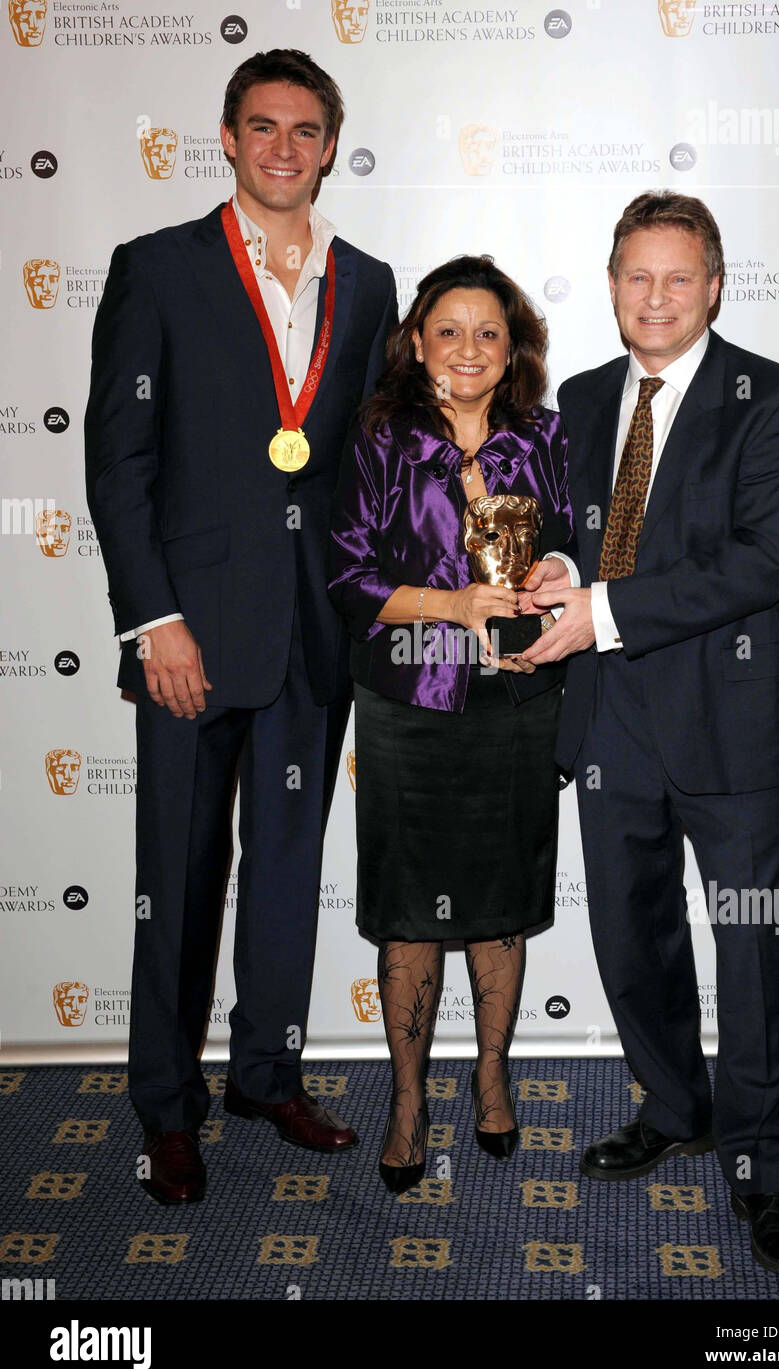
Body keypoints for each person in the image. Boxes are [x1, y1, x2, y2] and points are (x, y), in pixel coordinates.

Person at [84, 49, 397, 1204]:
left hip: (312, 634)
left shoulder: (367, 281)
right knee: (177, 878)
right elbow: (118, 466)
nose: (282, 148)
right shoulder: (157, 269)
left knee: (285, 872)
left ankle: (266, 1071)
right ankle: (164, 1107)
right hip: (189, 640)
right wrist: (150, 620)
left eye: (305, 130)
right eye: (261, 127)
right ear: (225, 137)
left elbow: (372, 458)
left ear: (329, 144)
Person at [521, 191, 779, 1277]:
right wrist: (557, 569)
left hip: (730, 735)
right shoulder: (583, 394)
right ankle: (674, 1105)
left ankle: (766, 1172)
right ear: (609, 284)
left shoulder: (775, 402)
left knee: (745, 957)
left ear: (712, 284)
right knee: (629, 939)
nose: (654, 298)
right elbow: (583, 534)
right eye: (634, 277)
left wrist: (595, 610)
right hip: (610, 722)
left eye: (676, 278)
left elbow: (761, 563)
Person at [328, 255, 574, 1193]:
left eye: (489, 333)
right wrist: (454, 605)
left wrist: (543, 610)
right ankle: (405, 1097)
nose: (468, 348)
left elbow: (576, 558)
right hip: (409, 707)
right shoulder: (382, 438)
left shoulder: (548, 438)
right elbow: (349, 582)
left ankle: (493, 1073)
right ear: (416, 343)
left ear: (514, 349)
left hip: (516, 701)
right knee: (408, 911)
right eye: (448, 330)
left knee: (499, 901)